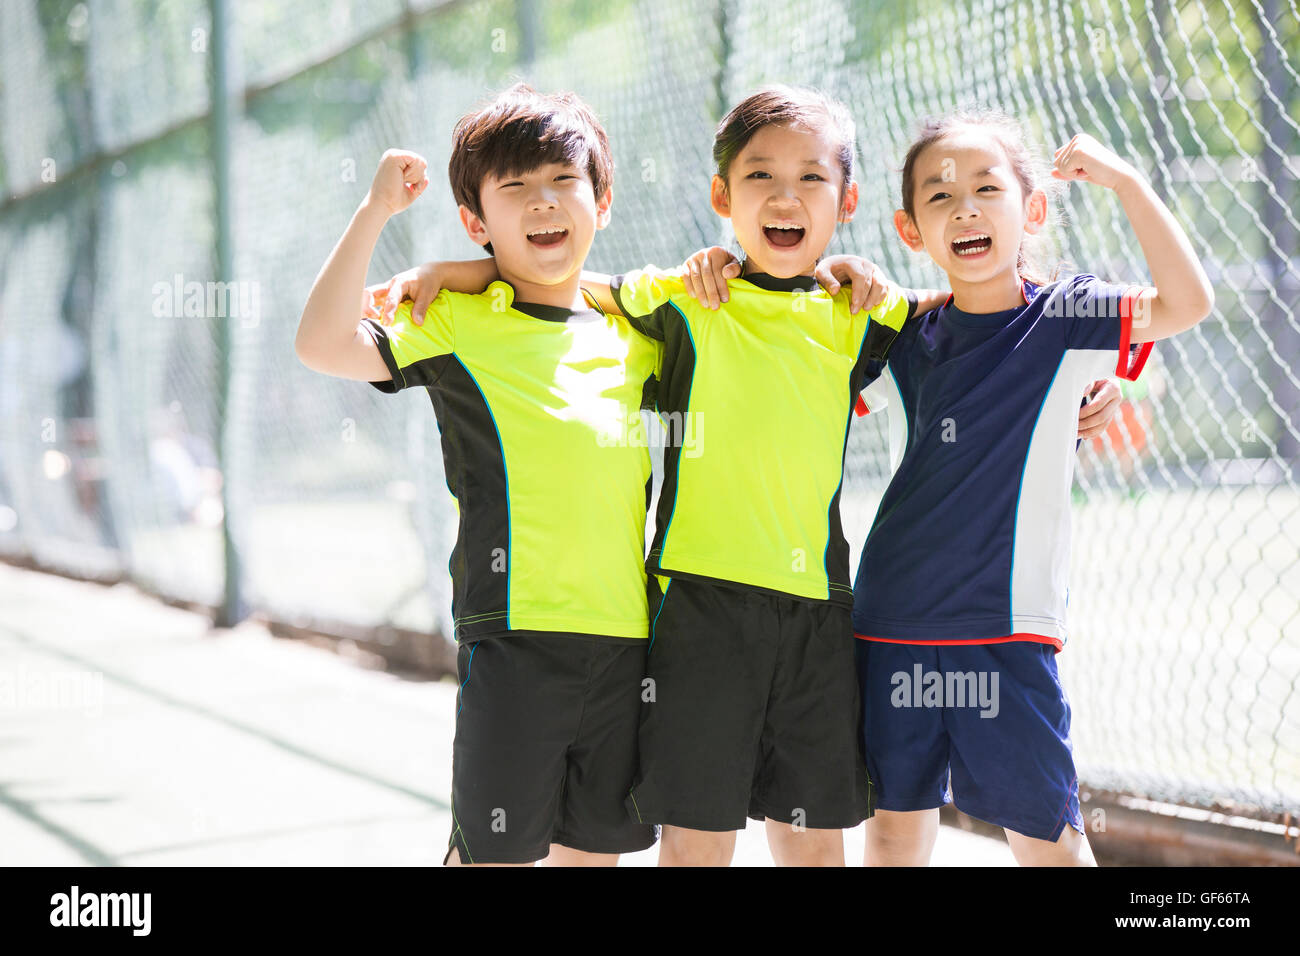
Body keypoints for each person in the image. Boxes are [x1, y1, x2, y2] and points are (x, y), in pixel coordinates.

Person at [377, 86, 1121, 867]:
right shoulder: (686, 299)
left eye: (811, 179)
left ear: (849, 201)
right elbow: (566, 282)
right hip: (701, 614)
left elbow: (978, 316)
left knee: (811, 840)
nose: (786, 196)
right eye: (761, 176)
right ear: (722, 198)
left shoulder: (861, 310)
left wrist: (1085, 393)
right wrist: (462, 269)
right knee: (700, 839)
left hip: (817, 619)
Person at [294, 83, 659, 867]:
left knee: (592, 857)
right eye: (514, 189)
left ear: (601, 197)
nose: (542, 203)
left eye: (563, 180)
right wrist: (376, 215)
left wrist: (460, 266)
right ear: (475, 220)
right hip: (516, 640)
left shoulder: (640, 333)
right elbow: (322, 343)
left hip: (628, 644)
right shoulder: (456, 323)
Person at [851, 110, 1213, 866]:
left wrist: (1125, 181)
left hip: (1007, 632)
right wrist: (843, 280)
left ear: (1033, 209)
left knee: (1049, 842)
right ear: (910, 229)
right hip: (892, 624)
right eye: (940, 197)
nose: (967, 208)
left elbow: (1187, 303)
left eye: (987, 188)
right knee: (892, 837)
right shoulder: (898, 335)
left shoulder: (1066, 317)